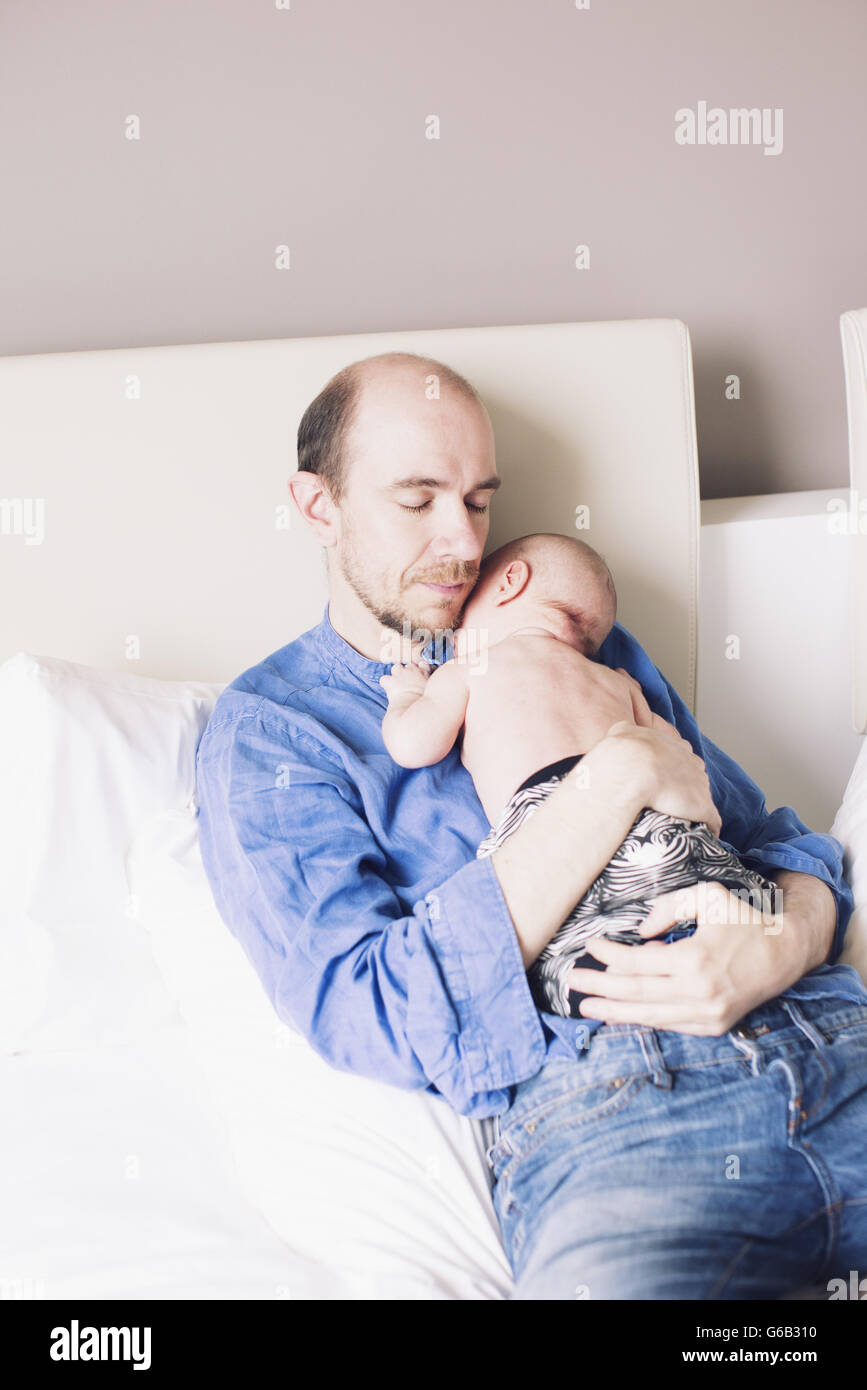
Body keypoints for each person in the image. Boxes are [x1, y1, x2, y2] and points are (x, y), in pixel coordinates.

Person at [195, 350, 867, 1299]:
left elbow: (776, 847)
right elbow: (368, 1007)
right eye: (416, 499)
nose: (462, 542)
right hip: (629, 1115)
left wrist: (781, 941)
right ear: (318, 506)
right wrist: (614, 779)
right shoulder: (274, 733)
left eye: (476, 501)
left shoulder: (570, 634)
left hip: (832, 1030)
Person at [379, 531, 782, 1019]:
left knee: (578, 960)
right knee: (723, 902)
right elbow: (677, 762)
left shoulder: (473, 664)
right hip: (663, 827)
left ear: (509, 581)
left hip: (556, 822)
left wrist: (406, 696)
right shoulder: (620, 682)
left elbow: (414, 745)